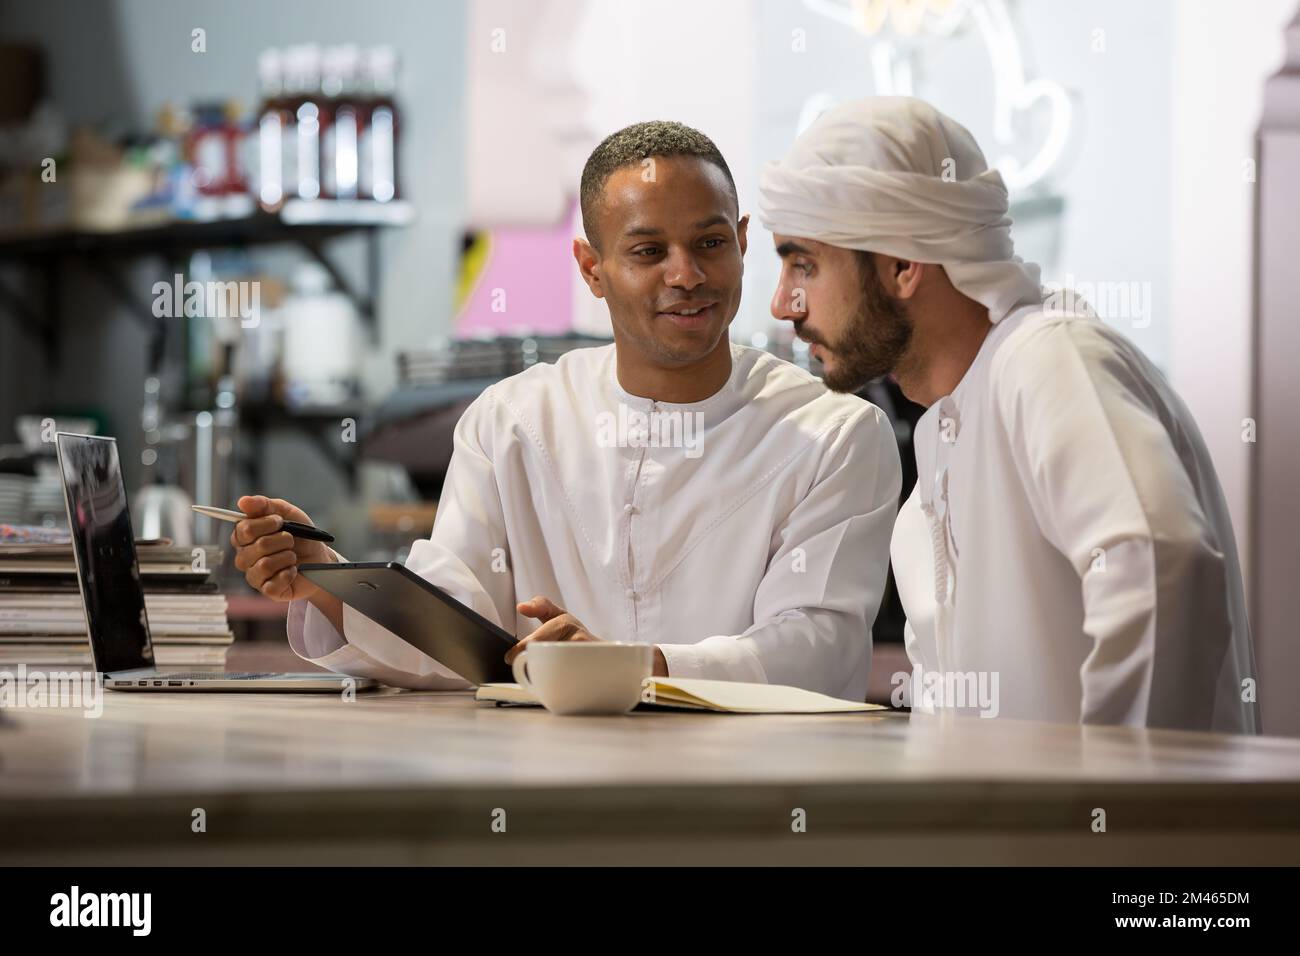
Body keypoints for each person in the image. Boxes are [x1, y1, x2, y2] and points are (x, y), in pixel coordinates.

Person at [233, 120, 901, 699]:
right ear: (591, 267)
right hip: (542, 791)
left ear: (743, 241)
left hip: (752, 803)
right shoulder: (513, 421)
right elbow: (460, 616)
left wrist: (635, 669)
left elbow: (816, 647)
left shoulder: (834, 433)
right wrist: (325, 583)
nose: (687, 275)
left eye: (709, 243)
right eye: (647, 251)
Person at [758, 96, 1259, 732]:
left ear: (903, 265)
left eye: (804, 264)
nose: (783, 304)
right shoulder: (946, 436)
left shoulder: (1046, 355)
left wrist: (1112, 802)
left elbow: (1160, 562)